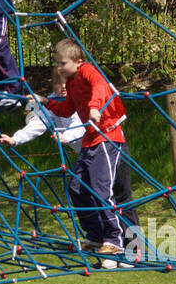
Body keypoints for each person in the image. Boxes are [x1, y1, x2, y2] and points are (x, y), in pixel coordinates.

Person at [51, 39, 131, 258]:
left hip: (107, 138)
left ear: (78, 62)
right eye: (58, 63)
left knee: (102, 190)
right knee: (77, 188)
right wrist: (43, 102)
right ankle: (95, 235)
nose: (59, 68)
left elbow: (100, 87)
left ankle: (115, 239)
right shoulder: (73, 82)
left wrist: (95, 108)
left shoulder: (88, 71)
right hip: (90, 140)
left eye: (62, 63)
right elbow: (67, 109)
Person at [0, 70, 87, 155]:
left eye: (67, 82)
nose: (63, 86)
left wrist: (66, 137)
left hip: (96, 145)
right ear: (53, 85)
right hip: (82, 149)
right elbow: (38, 123)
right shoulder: (53, 101)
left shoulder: (79, 98)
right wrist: (15, 140)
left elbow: (80, 124)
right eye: (58, 83)